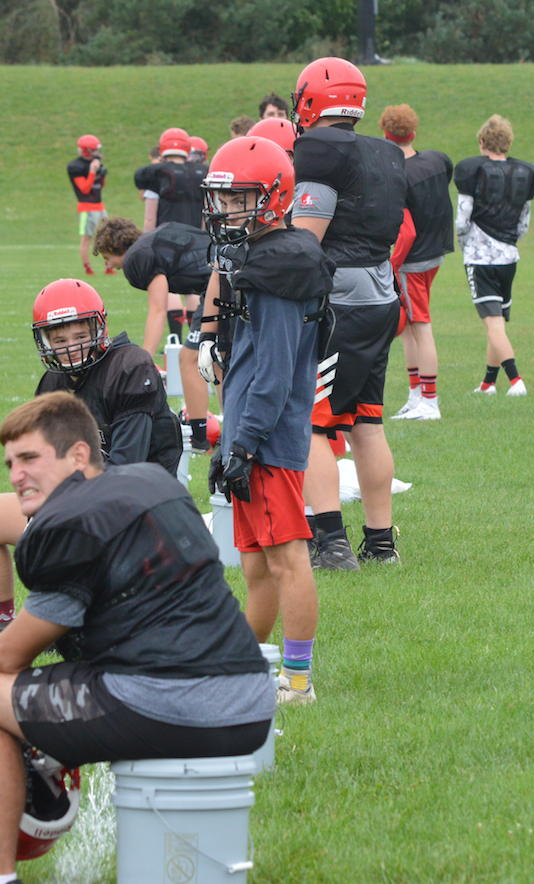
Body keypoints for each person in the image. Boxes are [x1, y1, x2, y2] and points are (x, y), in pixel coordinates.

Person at [0, 392, 273, 883]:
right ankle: (49, 753)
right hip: (251, 700)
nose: (16, 475)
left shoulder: (70, 521)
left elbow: (8, 655)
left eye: (29, 458)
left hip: (172, 702)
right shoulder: (152, 482)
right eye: (10, 463)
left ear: (79, 455)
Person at [0, 279, 183, 646]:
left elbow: (124, 471)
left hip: (139, 514)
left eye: (80, 334)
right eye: (59, 341)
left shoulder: (129, 365)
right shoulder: (53, 382)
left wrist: (59, 513)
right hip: (78, 504)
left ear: (100, 328)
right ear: (44, 342)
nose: (72, 347)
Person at [200, 136, 335, 704]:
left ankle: (298, 683)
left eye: (240, 199)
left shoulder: (281, 264)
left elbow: (276, 372)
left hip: (268, 438)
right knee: (256, 569)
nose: (228, 211)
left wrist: (246, 442)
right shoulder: (260, 253)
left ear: (274, 197)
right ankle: (241, 669)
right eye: (223, 200)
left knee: (286, 560)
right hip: (248, 432)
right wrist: (230, 440)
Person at [288, 57, 408, 569]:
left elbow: (305, 238)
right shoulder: (385, 150)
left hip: (338, 295)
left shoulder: (318, 149)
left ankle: (330, 542)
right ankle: (381, 545)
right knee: (366, 420)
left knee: (312, 423)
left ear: (311, 98)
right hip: (382, 290)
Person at [93, 215, 220, 452]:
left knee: (189, 359)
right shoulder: (155, 236)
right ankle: (230, 431)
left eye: (106, 256)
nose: (107, 264)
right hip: (229, 272)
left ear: (114, 246)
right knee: (221, 359)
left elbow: (159, 309)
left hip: (219, 282)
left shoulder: (136, 257)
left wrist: (144, 358)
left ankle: (200, 440)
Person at [454, 115, 534, 397]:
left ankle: (516, 382)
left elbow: (462, 219)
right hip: (509, 257)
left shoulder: (472, 171)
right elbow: (524, 222)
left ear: (482, 141)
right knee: (497, 322)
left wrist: (466, 243)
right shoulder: (524, 173)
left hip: (481, 258)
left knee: (492, 323)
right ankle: (488, 383)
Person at [379, 104, 453, 421]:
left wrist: (392, 265)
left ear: (385, 134)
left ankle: (430, 402)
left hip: (413, 261)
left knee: (421, 327)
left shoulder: (398, 176)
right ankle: (415, 395)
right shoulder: (437, 159)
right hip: (436, 251)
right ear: (414, 131)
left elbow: (405, 233)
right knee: (410, 325)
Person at [134, 127, 207, 231]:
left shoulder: (157, 175)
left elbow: (149, 219)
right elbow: (205, 218)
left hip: (164, 240)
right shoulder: (201, 174)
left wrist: (147, 242)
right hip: (193, 239)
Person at [67, 135, 113, 276]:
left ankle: (108, 266)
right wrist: (92, 172)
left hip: (100, 205)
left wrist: (102, 176)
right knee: (87, 238)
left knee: (107, 236)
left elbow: (99, 187)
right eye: (93, 151)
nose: (96, 153)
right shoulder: (76, 166)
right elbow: (85, 189)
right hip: (86, 207)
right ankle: (88, 268)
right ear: (85, 151)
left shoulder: (97, 162)